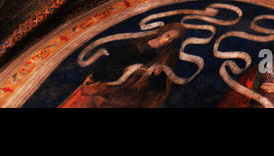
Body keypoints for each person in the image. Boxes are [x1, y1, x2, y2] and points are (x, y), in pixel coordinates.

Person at [59, 23, 187, 108]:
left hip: (133, 97)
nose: (167, 40)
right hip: (110, 89)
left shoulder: (166, 57)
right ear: (162, 32)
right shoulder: (134, 47)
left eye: (171, 39)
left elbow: (158, 90)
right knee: (91, 100)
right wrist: (127, 70)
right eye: (167, 35)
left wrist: (155, 75)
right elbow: (103, 71)